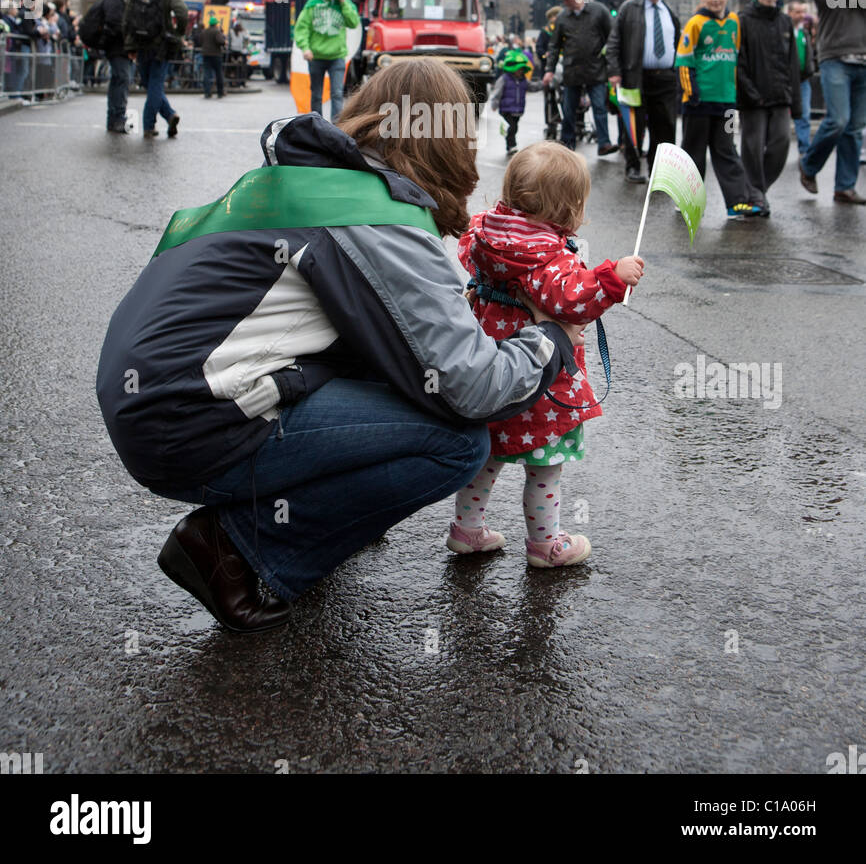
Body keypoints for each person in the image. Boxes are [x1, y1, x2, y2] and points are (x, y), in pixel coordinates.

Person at [95, 59, 584, 632]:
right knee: (456, 443)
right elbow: (471, 388)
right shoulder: (379, 215)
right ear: (449, 139)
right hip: (188, 425)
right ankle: (236, 547)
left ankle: (297, 519)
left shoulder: (305, 178)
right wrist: (550, 339)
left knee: (392, 369)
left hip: (153, 404)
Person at [449, 141, 644, 567]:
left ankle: (467, 530)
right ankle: (545, 545)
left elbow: (465, 251)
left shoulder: (483, 233)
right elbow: (574, 301)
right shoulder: (548, 259)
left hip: (492, 370)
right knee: (545, 465)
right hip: (539, 380)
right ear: (567, 209)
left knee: (489, 456)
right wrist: (613, 278)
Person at [676, 0, 762, 218]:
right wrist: (692, 93)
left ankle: (737, 202)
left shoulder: (735, 22)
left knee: (727, 150)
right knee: (694, 152)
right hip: (698, 102)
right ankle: (688, 201)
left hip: (727, 102)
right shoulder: (696, 23)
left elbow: (737, 59)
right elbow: (683, 61)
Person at [799, 0, 866, 203]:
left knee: (854, 128)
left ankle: (845, 187)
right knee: (838, 120)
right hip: (835, 59)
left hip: (863, 62)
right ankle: (809, 165)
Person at [606, 0, 681, 184]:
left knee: (665, 127)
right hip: (635, 77)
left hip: (665, 78)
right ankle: (633, 166)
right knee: (634, 125)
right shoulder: (629, 8)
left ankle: (660, 172)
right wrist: (614, 72)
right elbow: (614, 42)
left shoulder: (669, 11)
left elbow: (677, 43)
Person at [736, 0, 801, 217]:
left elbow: (792, 62)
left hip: (780, 95)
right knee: (752, 147)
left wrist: (796, 103)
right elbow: (739, 62)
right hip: (753, 98)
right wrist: (749, 92)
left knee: (781, 143)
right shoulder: (742, 19)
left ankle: (757, 190)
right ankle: (756, 196)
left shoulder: (785, 21)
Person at [542, 0, 617, 154]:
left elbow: (612, 39)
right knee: (568, 111)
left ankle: (604, 143)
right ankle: (567, 145)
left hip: (595, 69)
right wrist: (549, 70)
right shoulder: (562, 18)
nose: (565, 2)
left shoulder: (598, 11)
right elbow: (554, 46)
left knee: (599, 107)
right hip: (572, 71)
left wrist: (613, 68)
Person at [122, 0, 188, 140]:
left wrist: (130, 46)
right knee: (155, 86)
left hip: (141, 45)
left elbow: (127, 20)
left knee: (150, 85)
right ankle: (152, 124)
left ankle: (167, 116)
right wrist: (177, 33)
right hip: (160, 46)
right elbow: (182, 13)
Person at [293, 0, 360, 120]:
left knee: (337, 93)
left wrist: (344, 3)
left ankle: (337, 127)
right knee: (316, 94)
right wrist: (305, 48)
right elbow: (302, 27)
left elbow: (353, 23)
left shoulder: (345, 2)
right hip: (316, 56)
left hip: (337, 56)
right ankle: (316, 125)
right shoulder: (314, 2)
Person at [102, 0, 140, 134]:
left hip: (121, 46)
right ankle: (116, 118)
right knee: (121, 79)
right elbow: (114, 21)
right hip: (117, 46)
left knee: (120, 80)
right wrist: (127, 40)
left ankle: (116, 119)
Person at [489, 49, 532, 156]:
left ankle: (509, 144)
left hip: (518, 110)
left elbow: (532, 86)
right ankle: (512, 145)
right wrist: (494, 104)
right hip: (506, 109)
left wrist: (543, 84)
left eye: (522, 69)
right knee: (512, 127)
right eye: (519, 69)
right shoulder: (504, 79)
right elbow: (497, 92)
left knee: (514, 127)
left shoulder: (523, 80)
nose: (520, 71)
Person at [788, 0, 816, 159]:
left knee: (804, 115)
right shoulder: (784, 31)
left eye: (803, 12)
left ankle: (804, 150)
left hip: (803, 81)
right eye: (798, 12)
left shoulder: (804, 32)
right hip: (786, 81)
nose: (802, 15)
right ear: (790, 12)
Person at [200, 14, 226, 99]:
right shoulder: (217, 31)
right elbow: (220, 41)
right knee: (218, 73)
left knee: (207, 73)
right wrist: (224, 41)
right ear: (215, 24)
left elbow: (201, 41)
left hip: (205, 54)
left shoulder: (204, 31)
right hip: (216, 54)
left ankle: (207, 92)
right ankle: (220, 92)